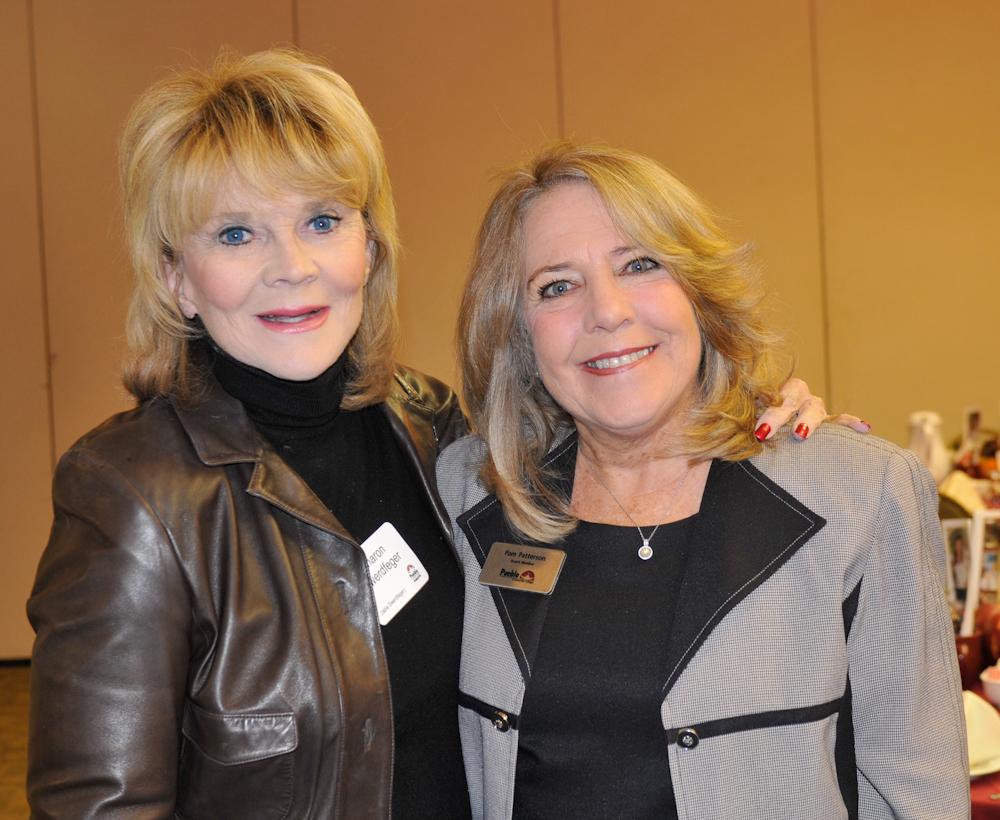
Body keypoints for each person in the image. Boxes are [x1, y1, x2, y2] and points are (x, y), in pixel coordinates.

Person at [26, 49, 847, 820]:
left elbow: (612, 427)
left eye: (321, 221)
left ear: (370, 243)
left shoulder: (431, 429)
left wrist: (754, 423)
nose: (292, 266)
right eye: (236, 234)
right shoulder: (132, 493)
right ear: (178, 279)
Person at [438, 141, 968, 820]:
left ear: (697, 290)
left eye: (639, 264)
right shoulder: (465, 493)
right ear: (519, 332)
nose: (607, 312)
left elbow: (918, 794)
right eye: (557, 286)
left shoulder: (860, 493)